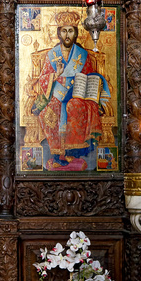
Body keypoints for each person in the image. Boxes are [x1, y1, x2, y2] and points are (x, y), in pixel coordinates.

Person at [29, 11, 107, 170]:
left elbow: (90, 76)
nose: (67, 35)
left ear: (75, 33)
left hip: (77, 93)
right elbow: (43, 78)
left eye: (70, 31)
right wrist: (55, 75)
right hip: (56, 92)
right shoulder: (52, 55)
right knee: (50, 111)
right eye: (64, 31)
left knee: (76, 106)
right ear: (59, 33)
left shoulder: (82, 55)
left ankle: (73, 153)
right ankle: (58, 155)